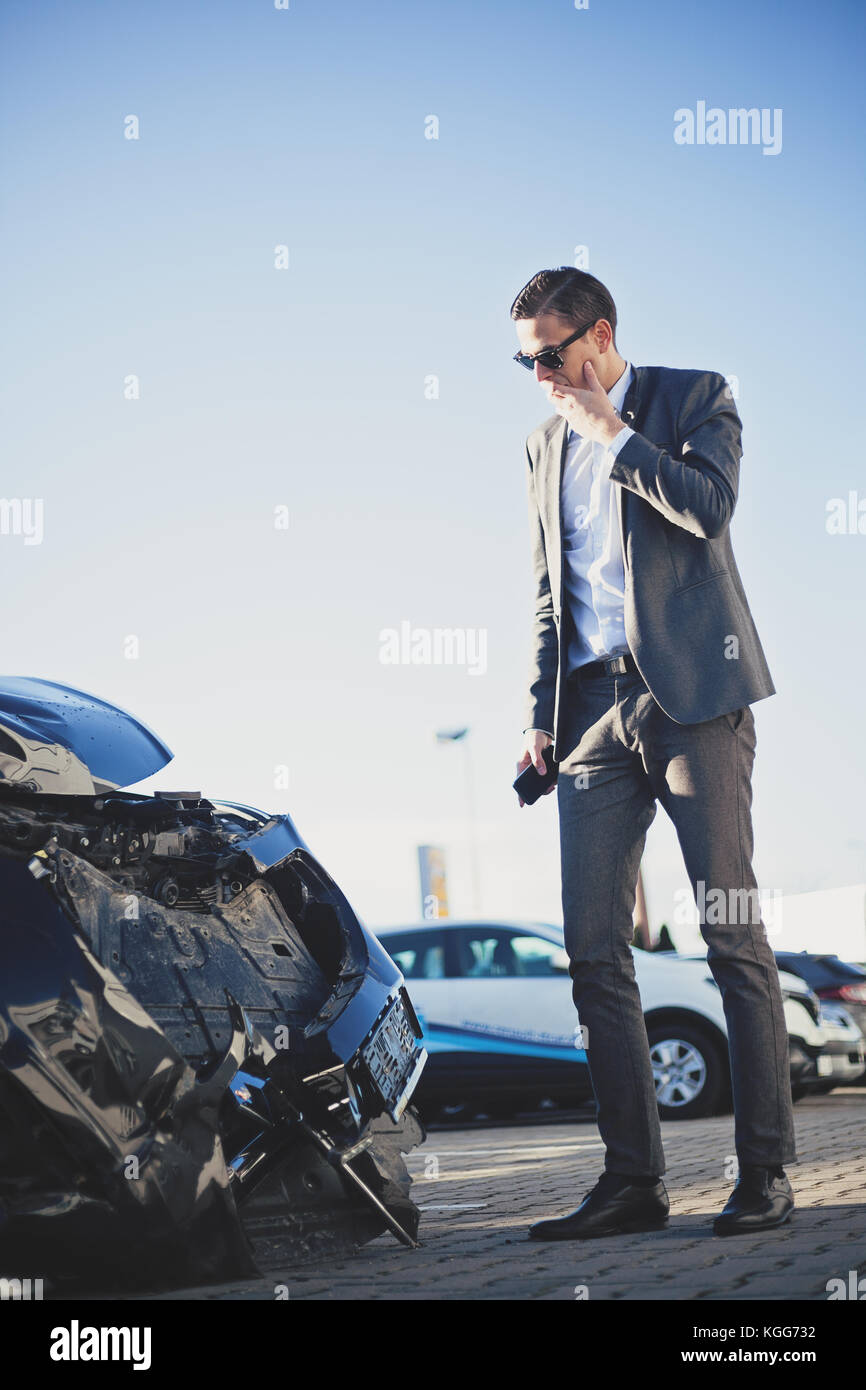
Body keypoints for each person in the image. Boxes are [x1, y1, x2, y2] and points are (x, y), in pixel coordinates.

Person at [512, 266, 795, 1240]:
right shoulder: (539, 444)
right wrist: (536, 717)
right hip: (588, 714)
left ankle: (762, 1169)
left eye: (548, 354)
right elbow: (551, 594)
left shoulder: (693, 396)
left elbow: (706, 507)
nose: (538, 374)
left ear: (597, 335)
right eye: (524, 359)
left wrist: (612, 434)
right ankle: (631, 1181)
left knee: (727, 932)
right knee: (593, 949)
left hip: (691, 698)